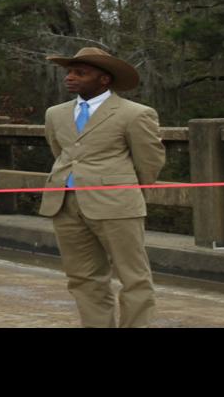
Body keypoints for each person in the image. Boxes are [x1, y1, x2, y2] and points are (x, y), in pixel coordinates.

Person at [41, 47, 167, 328]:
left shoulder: (135, 114)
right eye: (69, 72)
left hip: (117, 204)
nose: (71, 78)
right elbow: (61, 152)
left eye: (80, 73)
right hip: (65, 204)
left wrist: (124, 191)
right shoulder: (55, 114)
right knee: (83, 278)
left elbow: (149, 162)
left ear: (103, 80)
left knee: (134, 277)